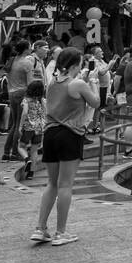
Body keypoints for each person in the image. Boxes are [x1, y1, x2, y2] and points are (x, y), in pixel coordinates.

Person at [31, 49, 100, 246]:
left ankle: (40, 228)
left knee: (51, 183)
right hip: (70, 134)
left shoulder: (53, 82)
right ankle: (60, 232)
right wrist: (93, 82)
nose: (81, 67)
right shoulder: (77, 83)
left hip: (51, 133)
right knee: (65, 184)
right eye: (79, 64)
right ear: (73, 65)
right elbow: (95, 102)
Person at [2, 40, 44, 162]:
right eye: (30, 47)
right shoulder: (27, 63)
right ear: (26, 49)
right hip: (22, 94)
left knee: (14, 124)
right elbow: (30, 82)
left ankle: (6, 152)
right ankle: (16, 152)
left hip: (11, 92)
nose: (31, 49)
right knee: (20, 125)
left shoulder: (12, 60)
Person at [16, 80, 47, 180]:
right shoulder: (42, 100)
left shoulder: (26, 100)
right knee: (34, 151)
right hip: (39, 128)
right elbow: (45, 113)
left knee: (20, 146)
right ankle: (30, 174)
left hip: (28, 127)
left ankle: (26, 159)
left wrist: (20, 126)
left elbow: (24, 112)